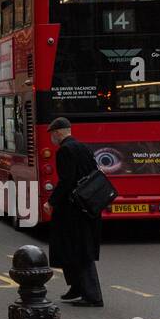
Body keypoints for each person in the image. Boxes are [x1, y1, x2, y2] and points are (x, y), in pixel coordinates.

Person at [46, 117, 104, 307]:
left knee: (80, 250)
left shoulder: (64, 150)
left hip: (73, 210)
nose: (52, 139)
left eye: (52, 135)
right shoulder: (83, 147)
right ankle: (77, 288)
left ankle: (92, 295)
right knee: (71, 248)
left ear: (57, 133)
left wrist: (51, 202)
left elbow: (67, 180)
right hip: (88, 206)